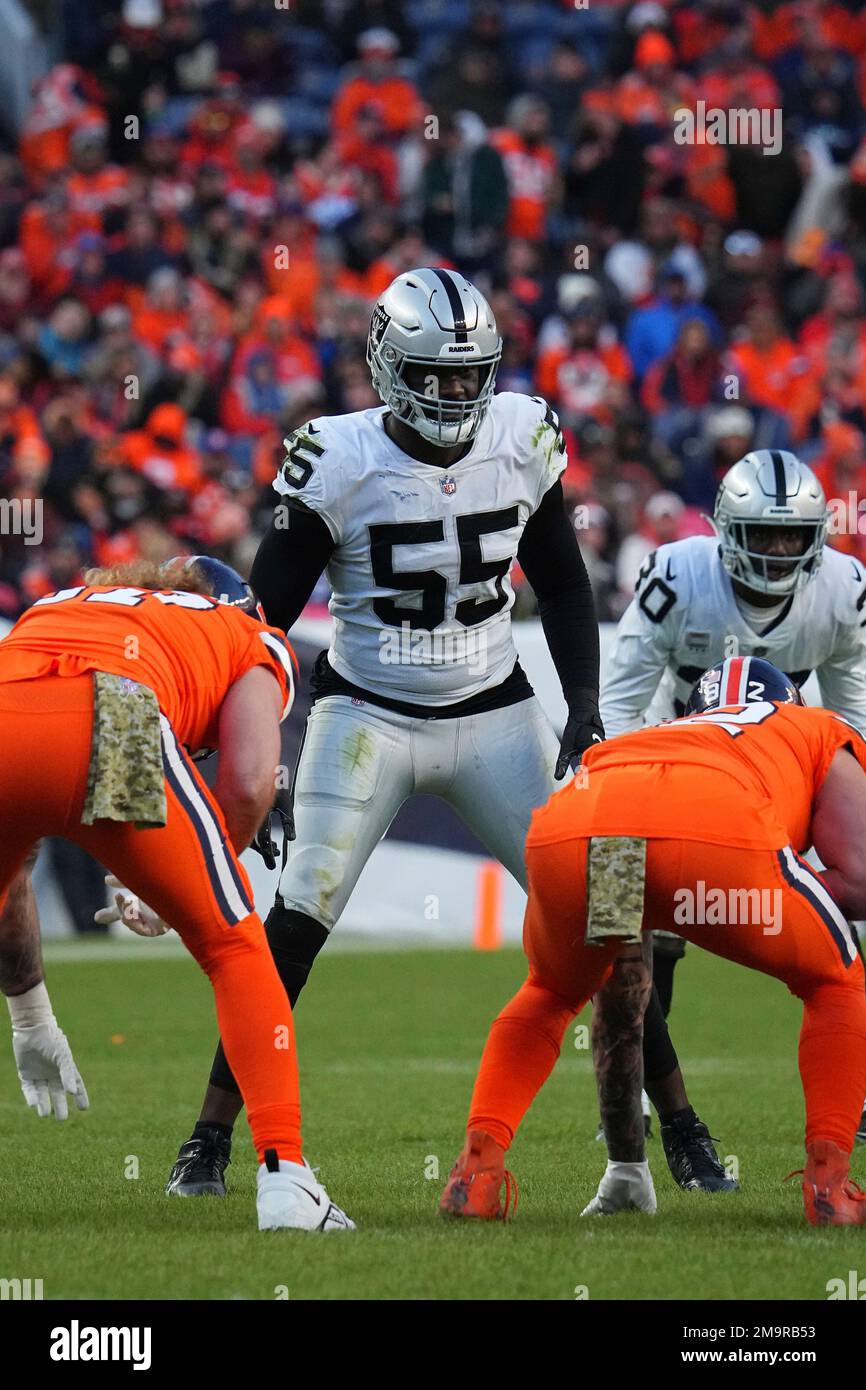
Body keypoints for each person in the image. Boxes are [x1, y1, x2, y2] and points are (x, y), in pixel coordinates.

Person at [165, 265, 607, 1196]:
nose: (457, 392)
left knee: (604, 911)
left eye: (469, 373)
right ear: (387, 366)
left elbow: (565, 584)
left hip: (497, 709)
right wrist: (252, 755)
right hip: (367, 710)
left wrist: (587, 713)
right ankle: (207, 1139)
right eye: (436, 374)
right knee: (295, 923)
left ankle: (658, 1142)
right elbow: (264, 622)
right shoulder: (337, 456)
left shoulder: (524, 434)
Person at [441, 657, 866, 1227]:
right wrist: (744, 904)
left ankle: (478, 1173)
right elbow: (860, 876)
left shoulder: (658, 733)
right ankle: (829, 1186)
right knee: (838, 979)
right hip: (714, 827)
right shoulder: (813, 727)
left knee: (549, 995)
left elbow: (622, 1010)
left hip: (580, 820)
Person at [0, 554, 351, 1232]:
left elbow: (13, 877)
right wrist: (192, 885)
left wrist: (30, 1018)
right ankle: (285, 1180)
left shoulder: (59, 602)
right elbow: (250, 783)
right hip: (119, 710)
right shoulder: (245, 632)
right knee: (236, 947)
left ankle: (31, 1019)